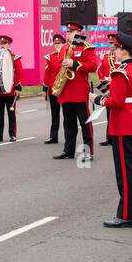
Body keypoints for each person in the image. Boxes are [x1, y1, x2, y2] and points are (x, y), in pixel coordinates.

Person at [90, 33, 132, 228]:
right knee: (131, 172)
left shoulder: (121, 72)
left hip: (123, 124)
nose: (114, 52)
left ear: (123, 50)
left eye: (116, 49)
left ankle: (126, 215)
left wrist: (96, 99)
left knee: (125, 173)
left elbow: (116, 102)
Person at [53, 22, 98, 160]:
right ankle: (68, 150)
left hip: (79, 91)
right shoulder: (64, 47)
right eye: (67, 32)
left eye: (71, 32)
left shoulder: (85, 47)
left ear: (78, 33)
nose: (68, 34)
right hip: (66, 91)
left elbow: (93, 65)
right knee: (68, 124)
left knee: (85, 123)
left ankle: (88, 152)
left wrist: (75, 64)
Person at [0, 35, 23, 144]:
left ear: (9, 45)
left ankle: (12, 134)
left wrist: (18, 87)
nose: (2, 45)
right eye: (1, 43)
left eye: (4, 44)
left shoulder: (14, 57)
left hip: (10, 91)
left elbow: (19, 73)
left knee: (11, 114)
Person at [41, 34, 66, 145]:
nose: (57, 45)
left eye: (59, 43)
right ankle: (53, 136)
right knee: (54, 114)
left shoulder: (67, 55)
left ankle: (68, 136)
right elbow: (47, 73)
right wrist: (44, 88)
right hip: (53, 89)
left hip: (65, 89)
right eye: (55, 43)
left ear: (63, 44)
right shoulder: (50, 57)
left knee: (67, 114)